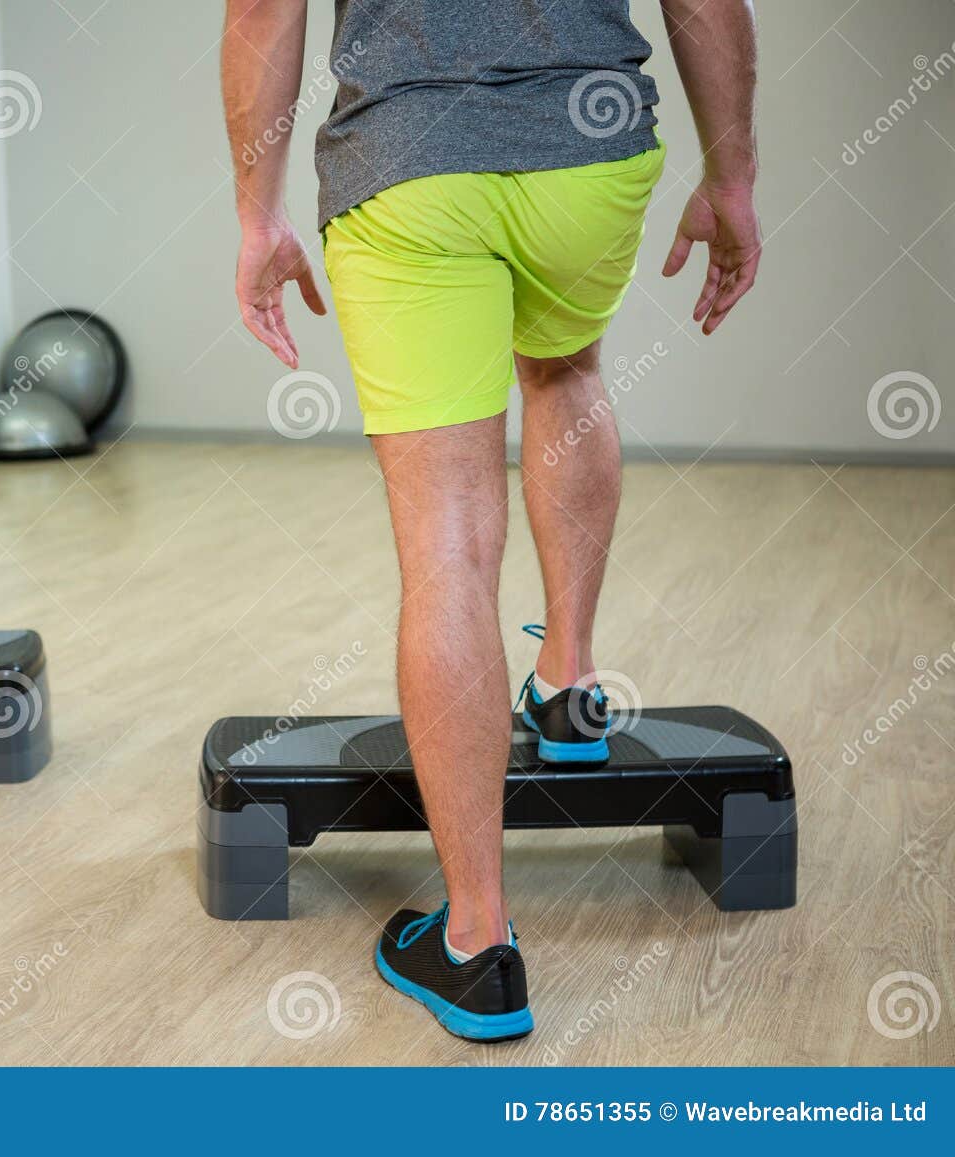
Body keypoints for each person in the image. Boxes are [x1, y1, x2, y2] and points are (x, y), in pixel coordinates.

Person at [221, 0, 761, 1040]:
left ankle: (476, 938)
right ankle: (568, 681)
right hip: (588, 146)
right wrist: (730, 175)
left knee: (448, 546)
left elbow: (262, 8)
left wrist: (258, 212)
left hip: (407, 161)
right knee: (566, 367)